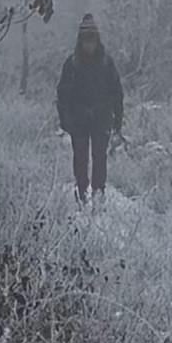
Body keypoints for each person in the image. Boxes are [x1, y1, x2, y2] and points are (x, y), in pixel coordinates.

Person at [54, 11, 126, 201]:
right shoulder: (72, 64)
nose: (89, 45)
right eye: (86, 40)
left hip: (101, 118)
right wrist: (66, 121)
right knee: (80, 159)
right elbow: (63, 95)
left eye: (92, 40)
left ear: (97, 40)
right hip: (79, 120)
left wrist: (117, 121)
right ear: (80, 41)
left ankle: (98, 194)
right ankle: (81, 192)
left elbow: (117, 92)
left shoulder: (106, 63)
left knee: (100, 159)